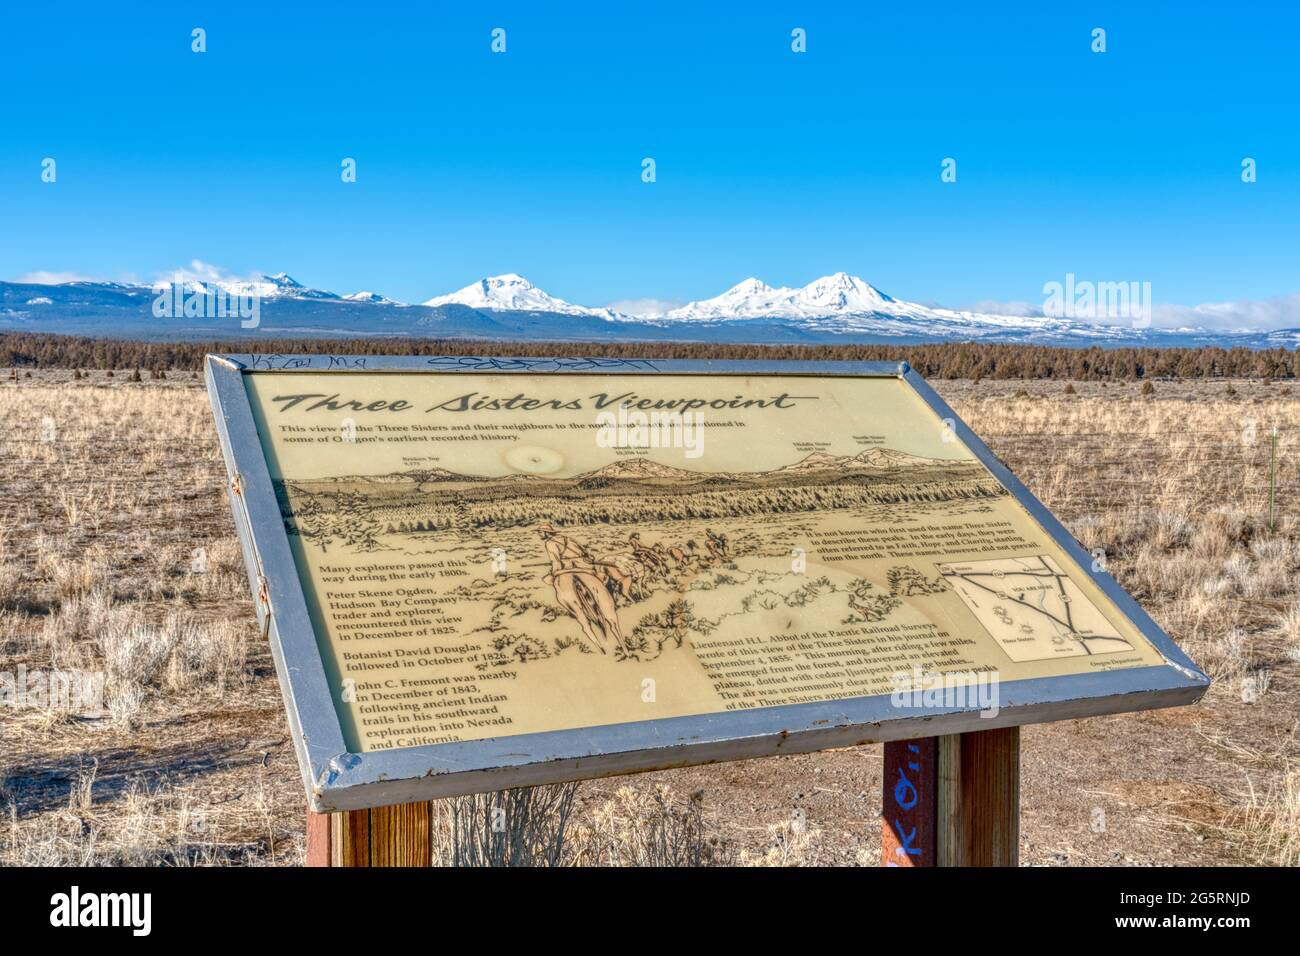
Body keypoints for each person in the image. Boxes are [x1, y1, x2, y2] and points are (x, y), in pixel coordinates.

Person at [538, 524, 625, 654]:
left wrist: (555, 573)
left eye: (540, 532)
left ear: (546, 533)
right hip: (585, 568)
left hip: (565, 569)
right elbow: (588, 556)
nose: (539, 534)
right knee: (604, 579)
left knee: (549, 581)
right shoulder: (569, 539)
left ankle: (598, 645)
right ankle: (612, 601)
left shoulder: (550, 543)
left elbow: (556, 562)